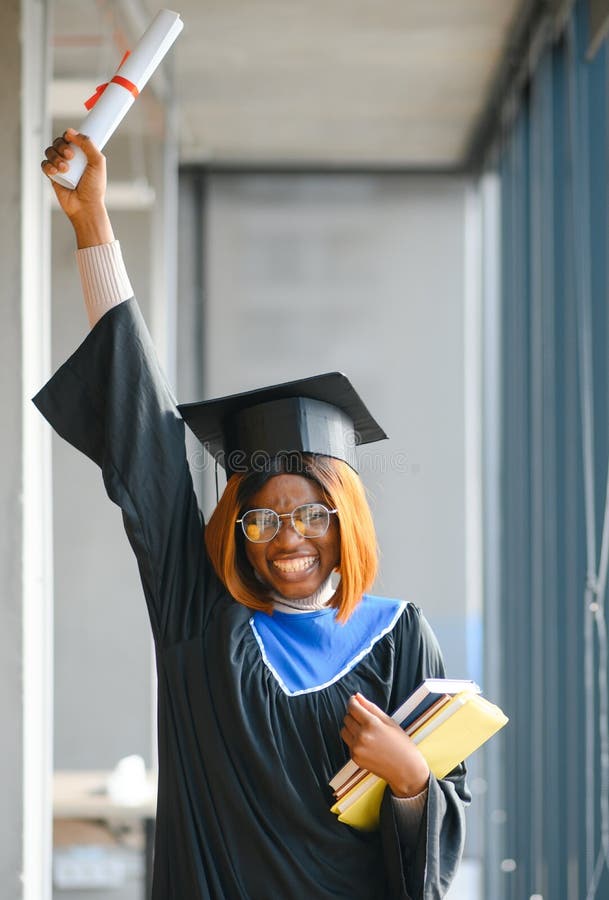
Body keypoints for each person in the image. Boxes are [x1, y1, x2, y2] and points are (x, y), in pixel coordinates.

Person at [37, 130, 469, 900]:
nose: (288, 539)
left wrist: (410, 779)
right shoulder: (198, 612)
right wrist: (92, 223)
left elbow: (435, 844)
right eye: (261, 519)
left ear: (345, 520)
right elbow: (144, 433)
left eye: (310, 515)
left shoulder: (400, 635)